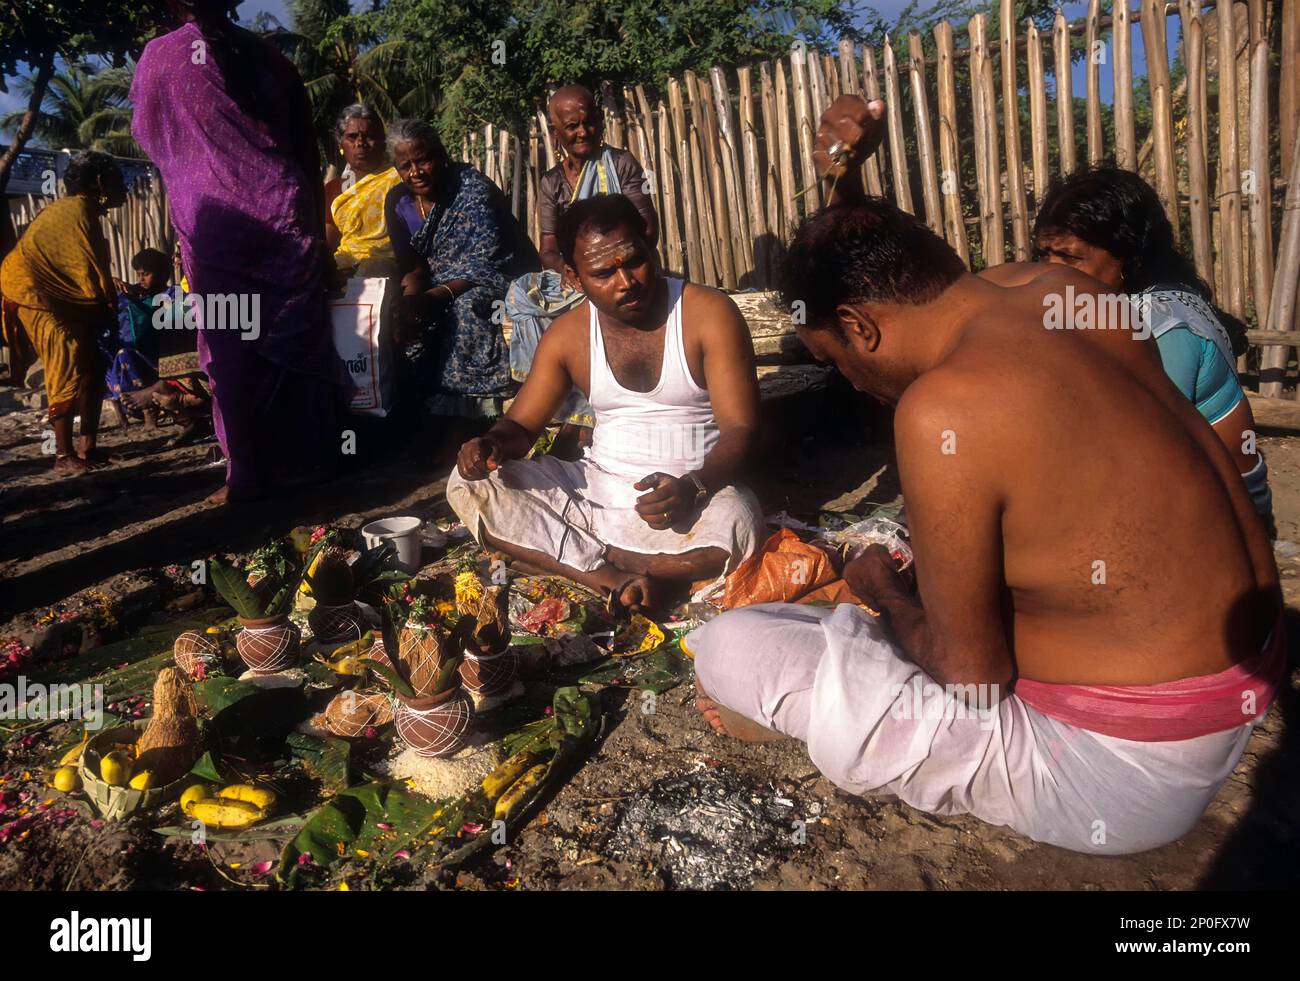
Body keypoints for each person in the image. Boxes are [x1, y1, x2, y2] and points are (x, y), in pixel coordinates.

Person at [687, 95, 1283, 855]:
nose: (858, 383)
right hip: (1247, 676)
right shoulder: (1062, 293)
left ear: (863, 328)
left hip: (1128, 773)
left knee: (732, 646)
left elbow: (972, 673)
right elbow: (875, 264)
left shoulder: (943, 410)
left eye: (839, 360)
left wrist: (882, 590)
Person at [447, 194, 764, 613]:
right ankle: (614, 576)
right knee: (469, 485)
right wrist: (490, 447)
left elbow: (741, 428)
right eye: (603, 273)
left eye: (633, 261)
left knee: (739, 522)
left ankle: (581, 558)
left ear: (651, 248)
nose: (626, 281)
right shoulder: (567, 336)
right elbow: (521, 427)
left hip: (688, 499)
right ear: (574, 279)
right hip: (594, 491)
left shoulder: (708, 314)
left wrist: (694, 487)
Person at [131, 0, 343, 503]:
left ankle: (249, 474)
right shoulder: (270, 56)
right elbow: (305, 150)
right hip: (283, 213)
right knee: (295, 339)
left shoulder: (158, 59)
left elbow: (151, 137)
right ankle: (311, 461)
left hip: (218, 225)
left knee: (233, 347)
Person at [1013, 167, 1272, 531]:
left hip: (1221, 524)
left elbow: (1131, 459)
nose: (1050, 273)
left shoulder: (1164, 327)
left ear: (1129, 258)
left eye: (1071, 258)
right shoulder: (1096, 308)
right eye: (1045, 255)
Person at [506, 85, 662, 459]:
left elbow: (647, 230)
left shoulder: (622, 164)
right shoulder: (551, 183)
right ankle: (558, 414)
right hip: (575, 276)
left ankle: (582, 422)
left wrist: (604, 268)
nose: (582, 132)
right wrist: (571, 272)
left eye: (589, 122)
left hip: (620, 270)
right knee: (521, 296)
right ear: (555, 131)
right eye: (572, 126)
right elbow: (547, 249)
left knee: (593, 311)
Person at [384, 118, 539, 441]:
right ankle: (423, 417)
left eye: (423, 159)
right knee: (402, 320)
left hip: (497, 276)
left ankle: (467, 420)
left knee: (467, 309)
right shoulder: (398, 201)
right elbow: (412, 267)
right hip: (437, 283)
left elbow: (487, 261)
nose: (416, 171)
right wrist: (411, 303)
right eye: (405, 165)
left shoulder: (472, 189)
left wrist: (436, 297)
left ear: (441, 155)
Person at [0, 150, 126, 474]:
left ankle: (88, 447)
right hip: (31, 292)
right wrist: (107, 305)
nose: (124, 188)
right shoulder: (78, 210)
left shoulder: (82, 211)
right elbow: (85, 272)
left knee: (94, 363)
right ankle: (62, 455)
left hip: (52, 293)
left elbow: (82, 269)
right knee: (67, 356)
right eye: (118, 180)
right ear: (99, 182)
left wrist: (108, 295)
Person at [102, 247, 176, 430]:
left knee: (125, 355)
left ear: (162, 274)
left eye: (146, 274)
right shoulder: (133, 294)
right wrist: (111, 284)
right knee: (112, 351)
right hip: (136, 357)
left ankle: (148, 409)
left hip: (159, 357)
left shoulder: (172, 295)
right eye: (138, 274)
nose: (141, 279)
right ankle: (122, 403)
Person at [324, 104, 402, 278]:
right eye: (352, 137)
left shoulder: (400, 178)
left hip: (388, 269)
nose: (360, 143)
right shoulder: (333, 189)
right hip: (342, 268)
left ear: (382, 142)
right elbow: (327, 246)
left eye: (369, 136)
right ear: (340, 144)